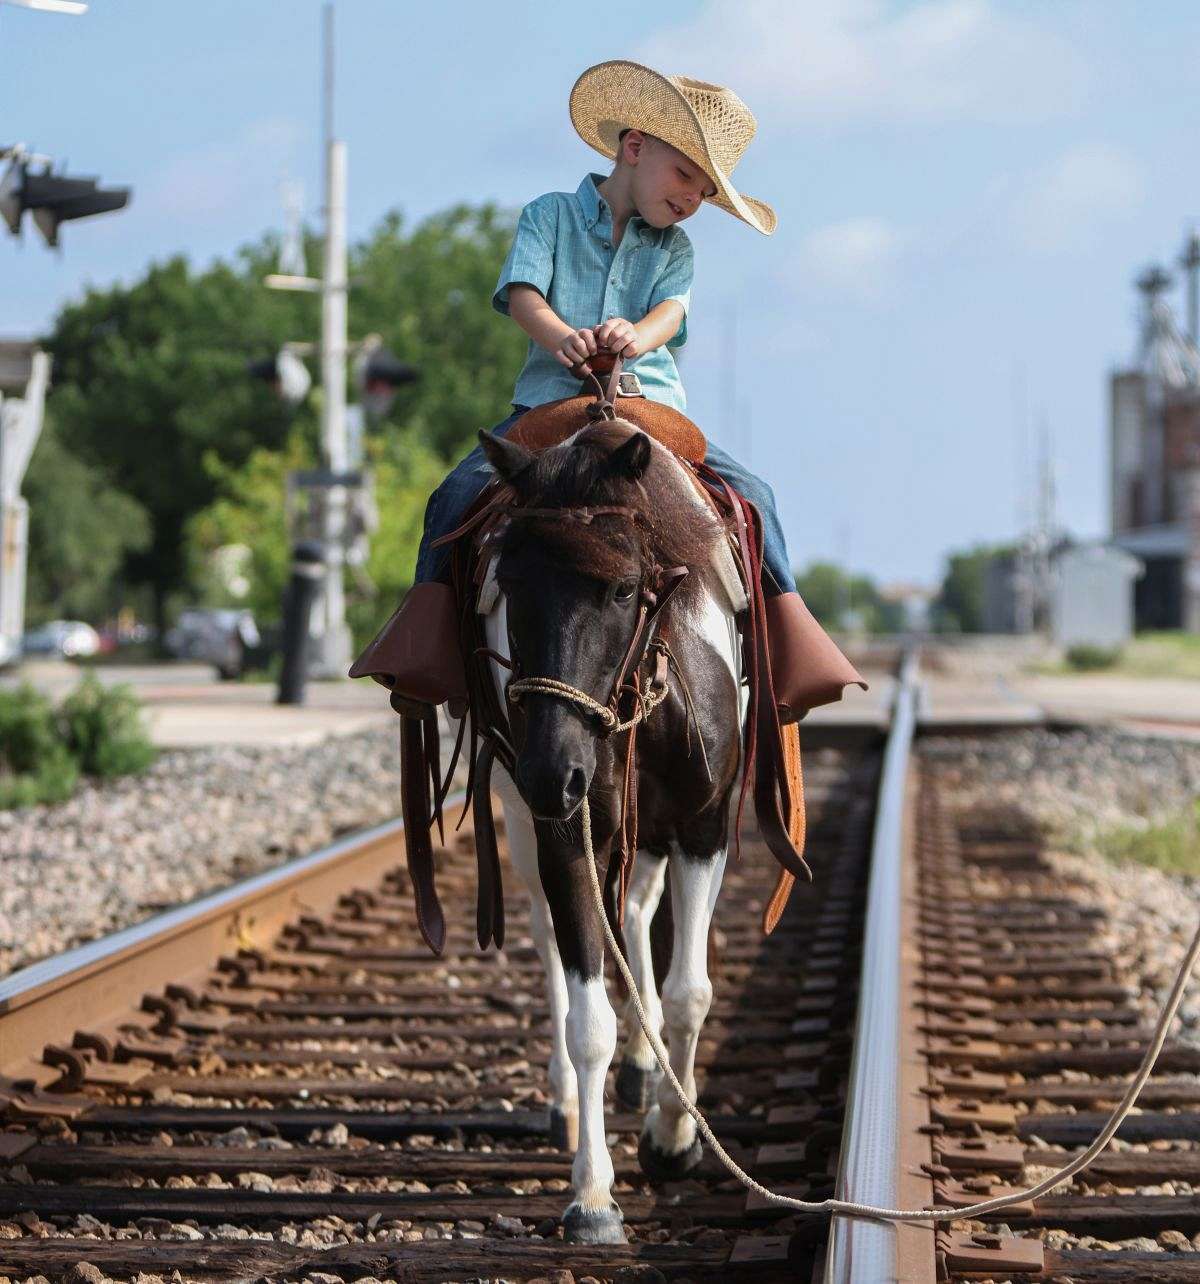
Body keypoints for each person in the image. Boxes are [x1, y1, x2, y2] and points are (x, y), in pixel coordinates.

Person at [352, 60, 864, 720]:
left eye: (706, 191)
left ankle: (783, 655)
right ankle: (430, 649)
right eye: (685, 175)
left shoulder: (675, 248)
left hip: (650, 411)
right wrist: (562, 337)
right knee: (453, 495)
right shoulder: (549, 215)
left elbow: (671, 314)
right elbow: (523, 294)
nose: (692, 199)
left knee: (755, 496)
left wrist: (635, 336)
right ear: (635, 146)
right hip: (550, 407)